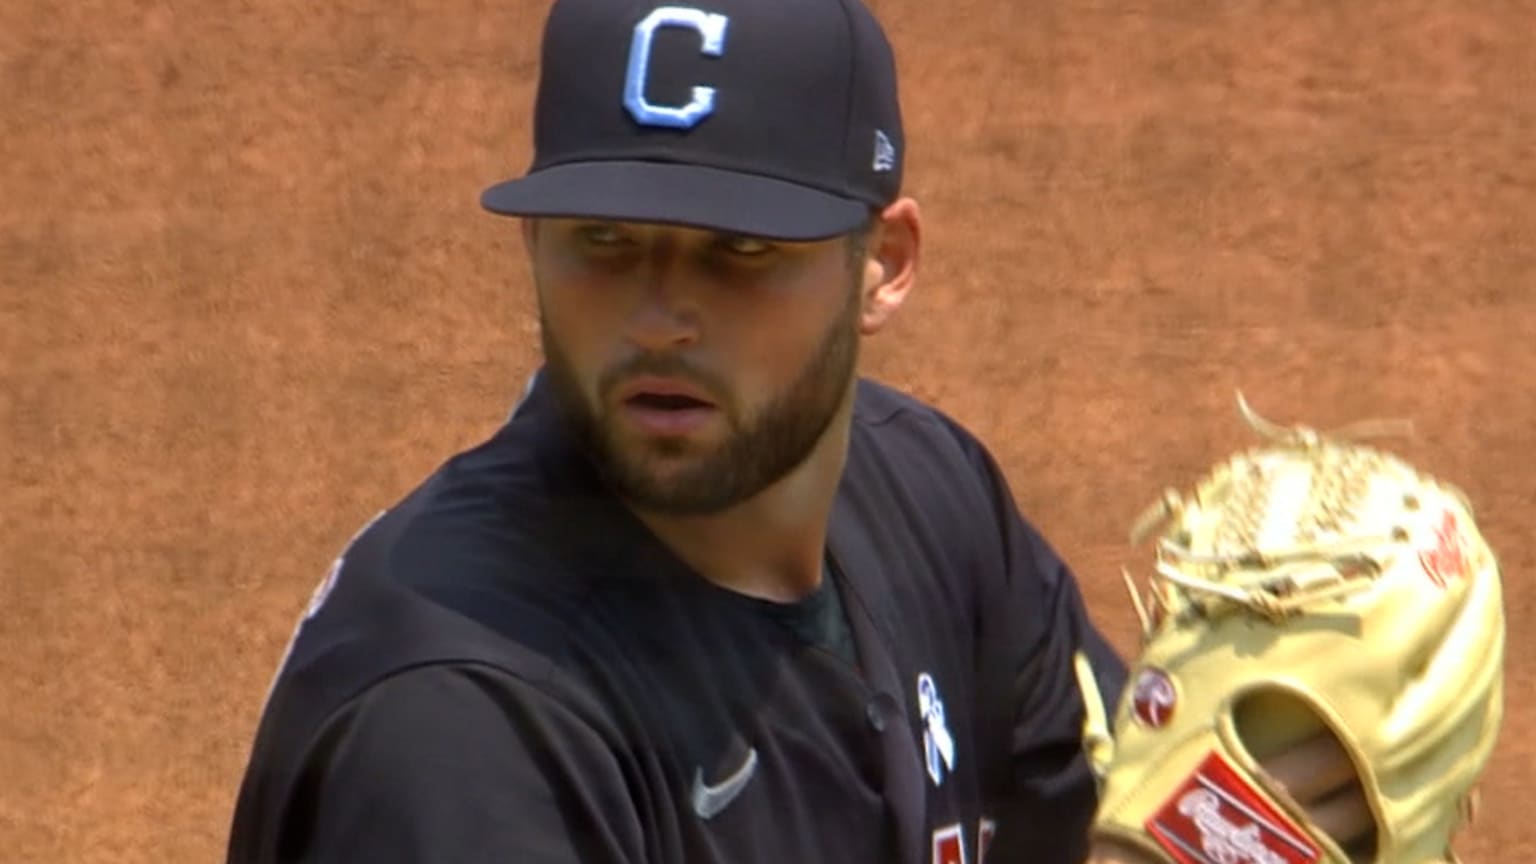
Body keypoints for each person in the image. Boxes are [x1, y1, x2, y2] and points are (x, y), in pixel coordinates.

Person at [226, 0, 1367, 861]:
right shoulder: (455, 727)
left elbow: (1100, 819)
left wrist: (1245, 818)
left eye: (742, 252)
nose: (661, 317)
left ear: (885, 265)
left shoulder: (930, 498)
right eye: (605, 243)